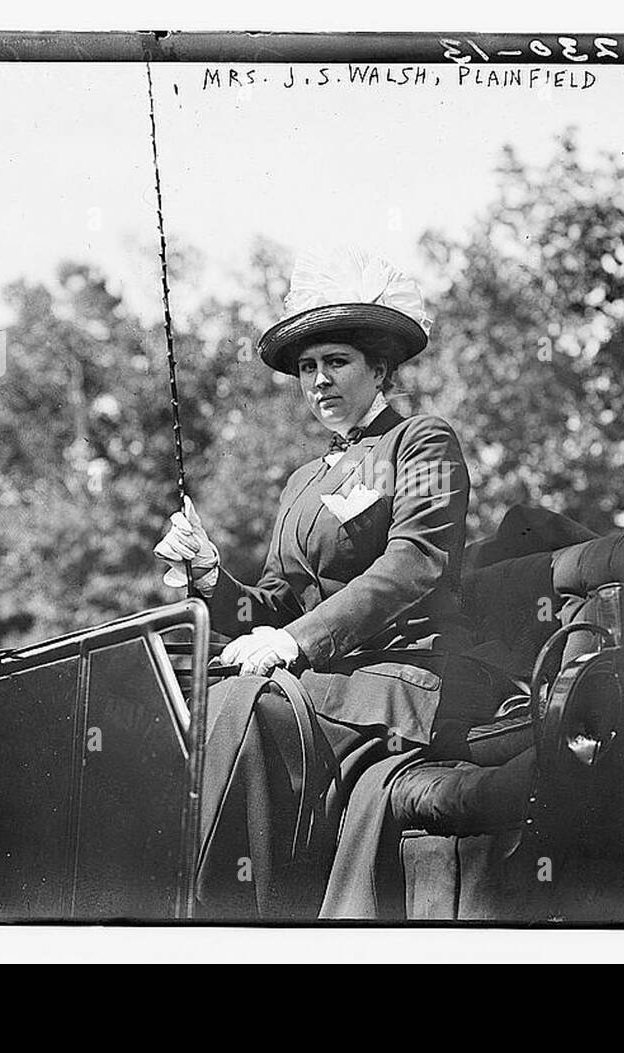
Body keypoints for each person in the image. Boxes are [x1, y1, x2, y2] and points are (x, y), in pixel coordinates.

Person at [154, 247, 490, 919]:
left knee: (243, 714)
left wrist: (295, 642)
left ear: (379, 368)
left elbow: (415, 562)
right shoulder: (304, 480)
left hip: (398, 684)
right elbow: (275, 602)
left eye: (335, 362)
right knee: (176, 711)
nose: (318, 381)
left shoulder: (422, 442)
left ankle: (241, 926)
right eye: (307, 368)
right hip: (317, 682)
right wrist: (211, 574)